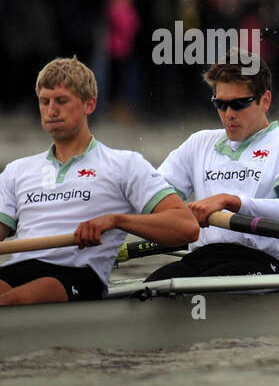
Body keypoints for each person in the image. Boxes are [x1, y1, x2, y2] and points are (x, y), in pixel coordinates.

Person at [0, 57, 199, 306]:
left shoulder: (124, 164)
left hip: (78, 275)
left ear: (89, 104)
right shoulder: (17, 171)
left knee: (12, 301)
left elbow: (186, 227)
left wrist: (116, 221)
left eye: (61, 101)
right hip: (18, 269)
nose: (51, 110)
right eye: (44, 101)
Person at [146, 57, 279, 281]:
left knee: (199, 290)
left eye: (239, 104)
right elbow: (149, 197)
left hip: (263, 261)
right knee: (152, 288)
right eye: (220, 104)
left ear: (265, 101)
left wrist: (231, 201)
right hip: (200, 258)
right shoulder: (199, 143)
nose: (228, 113)